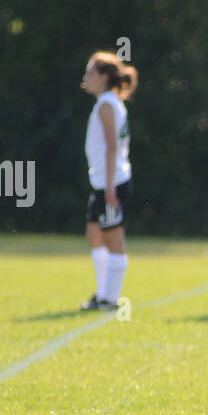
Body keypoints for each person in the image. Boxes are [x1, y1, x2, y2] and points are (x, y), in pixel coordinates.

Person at [80, 52, 138, 311]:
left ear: (104, 77)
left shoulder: (106, 104)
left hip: (111, 184)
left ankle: (110, 299)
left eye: (90, 73)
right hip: (103, 183)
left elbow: (112, 146)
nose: (86, 78)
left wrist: (111, 187)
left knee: (114, 240)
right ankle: (102, 292)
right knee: (94, 234)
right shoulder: (109, 101)